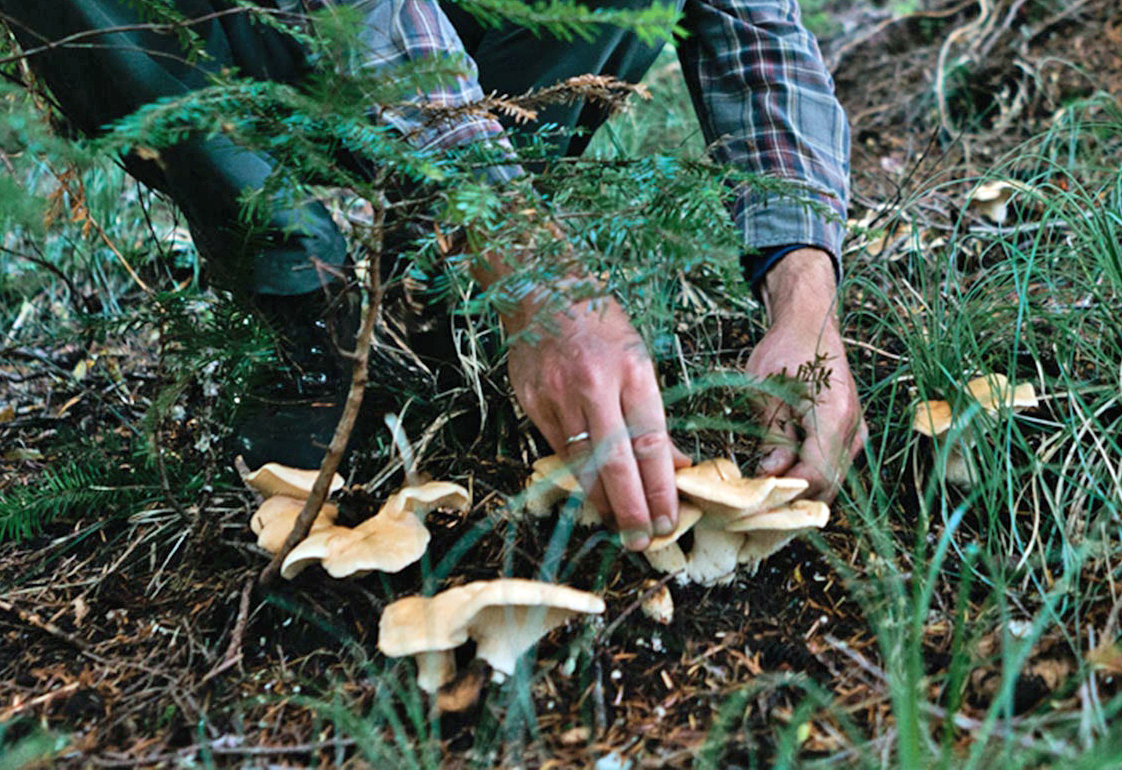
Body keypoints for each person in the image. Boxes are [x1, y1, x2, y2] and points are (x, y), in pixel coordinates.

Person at [0, 0, 866, 552]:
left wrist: (806, 301)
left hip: (479, 62)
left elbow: (756, 30)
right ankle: (303, 296)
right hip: (247, 37)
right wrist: (532, 269)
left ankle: (442, 282)